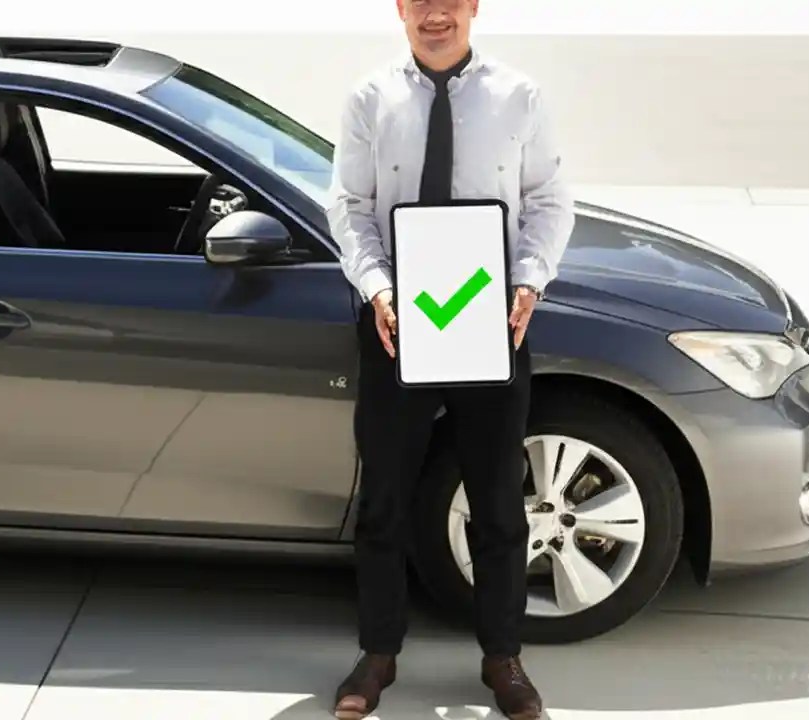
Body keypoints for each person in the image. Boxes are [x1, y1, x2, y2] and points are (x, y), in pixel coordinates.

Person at [326, 1, 575, 718]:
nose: (436, 13)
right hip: (396, 325)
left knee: (498, 502)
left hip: (491, 324)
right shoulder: (370, 99)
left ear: (473, 7)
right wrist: (379, 290)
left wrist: (528, 280)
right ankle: (378, 656)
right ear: (400, 9)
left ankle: (504, 661)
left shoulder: (519, 97)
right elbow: (349, 206)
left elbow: (549, 200)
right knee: (384, 502)